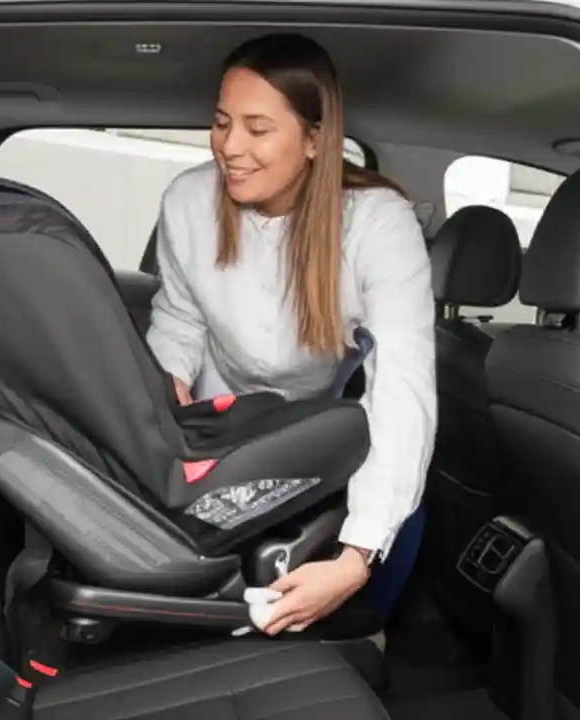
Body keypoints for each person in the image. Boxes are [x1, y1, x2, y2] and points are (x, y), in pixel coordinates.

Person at [146, 32, 437, 636]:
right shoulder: (188, 200)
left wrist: (356, 558)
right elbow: (179, 317)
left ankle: (369, 640)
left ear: (314, 140)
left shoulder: (378, 224)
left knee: (396, 513)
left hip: (316, 430)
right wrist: (163, 393)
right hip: (220, 428)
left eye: (257, 129)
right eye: (222, 122)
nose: (229, 147)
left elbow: (401, 385)